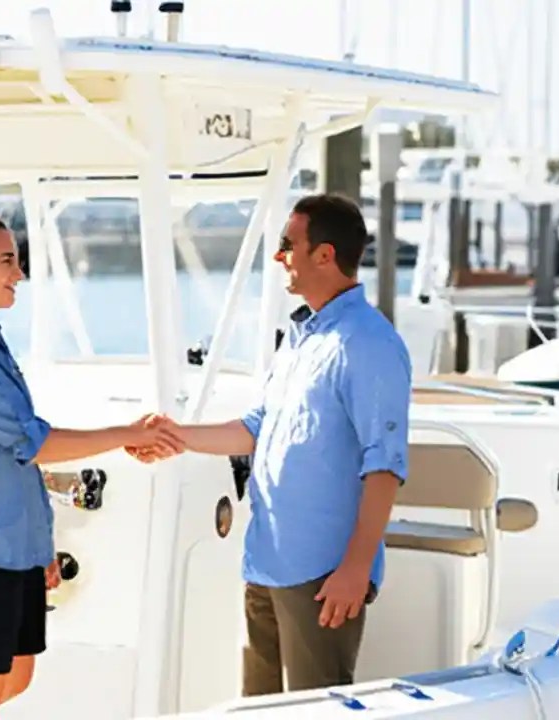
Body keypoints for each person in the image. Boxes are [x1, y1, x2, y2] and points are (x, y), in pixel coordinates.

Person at [0, 209, 183, 720]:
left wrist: (38, 546)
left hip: (12, 548)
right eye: (6, 261)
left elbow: (11, 457)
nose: (19, 273)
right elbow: (30, 443)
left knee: (18, 674)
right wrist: (128, 434)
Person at [135, 193, 411, 695]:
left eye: (288, 244)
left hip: (322, 577)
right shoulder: (300, 339)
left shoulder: (368, 343)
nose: (280, 256)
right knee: (258, 710)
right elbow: (256, 428)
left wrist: (354, 569)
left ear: (324, 255)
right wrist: (173, 436)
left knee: (312, 710)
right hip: (265, 565)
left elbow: (385, 467)